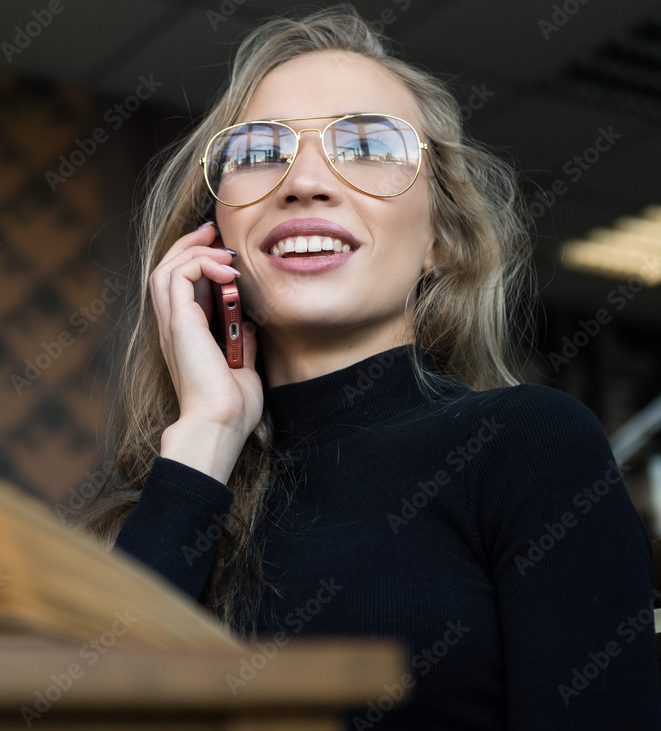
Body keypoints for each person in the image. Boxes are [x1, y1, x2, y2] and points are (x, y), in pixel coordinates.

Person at [76, 4, 661, 729]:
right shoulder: (174, 496)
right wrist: (206, 432)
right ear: (215, 236)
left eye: (368, 146)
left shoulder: (531, 445)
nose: (304, 181)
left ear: (441, 240)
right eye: (260, 152)